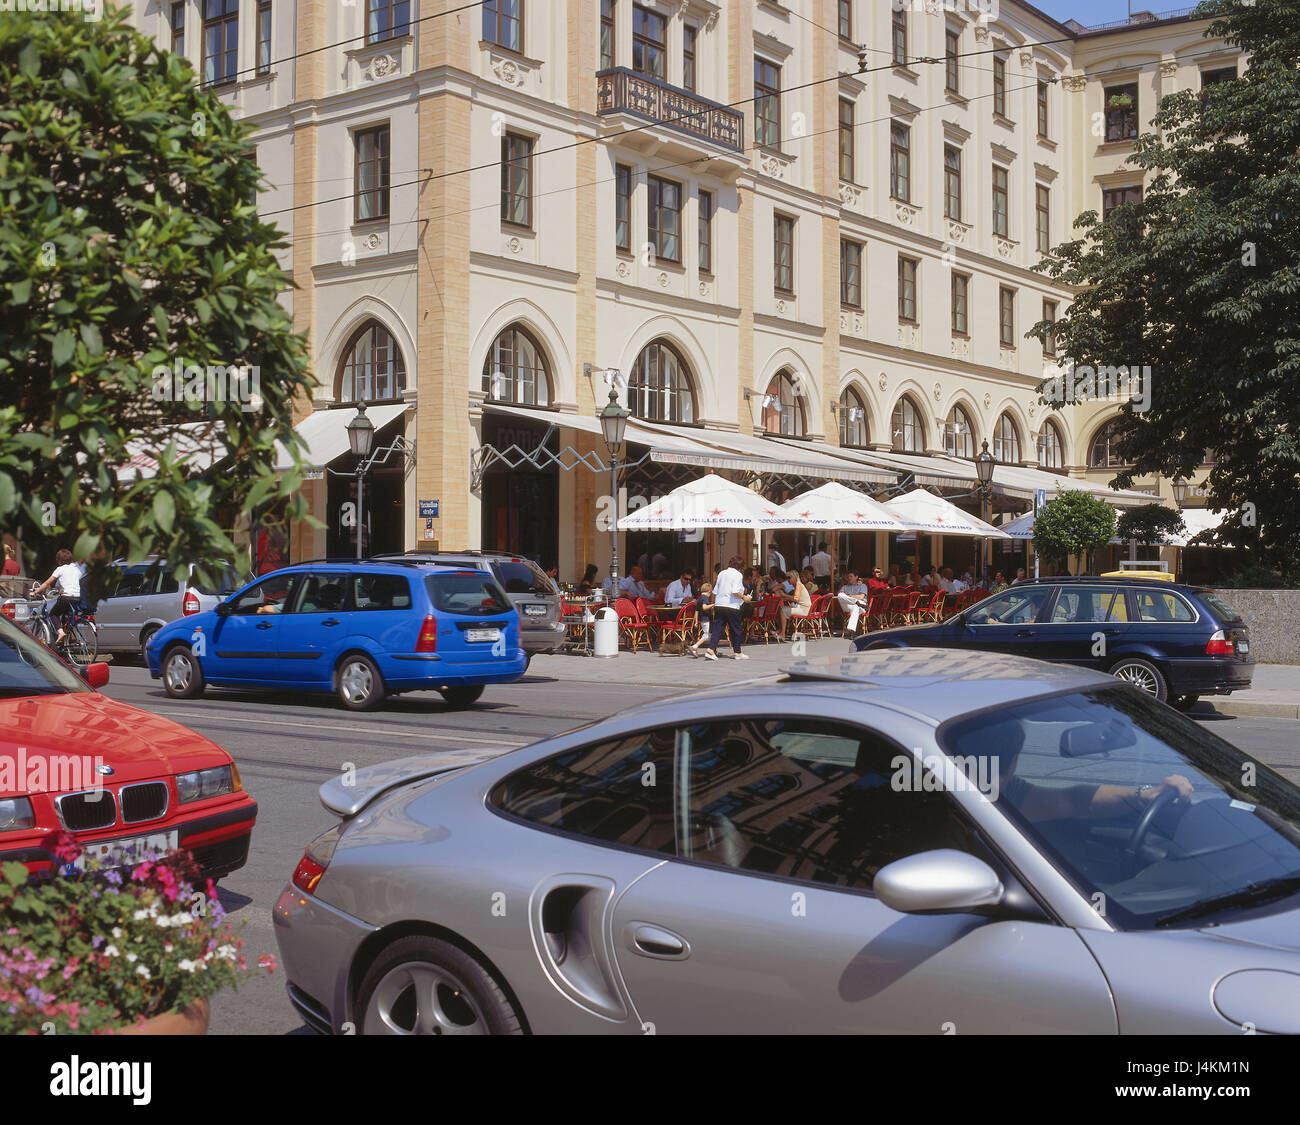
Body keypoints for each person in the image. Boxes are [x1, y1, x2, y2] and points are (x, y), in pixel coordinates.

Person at [702, 555, 750, 661]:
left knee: (717, 629)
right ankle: (737, 652)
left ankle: (711, 649)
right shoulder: (738, 575)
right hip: (732, 605)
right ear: (740, 566)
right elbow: (735, 592)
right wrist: (744, 597)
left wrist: (714, 603)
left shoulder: (722, 573)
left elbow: (715, 591)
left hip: (719, 604)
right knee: (735, 629)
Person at [32, 548, 82, 642]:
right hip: (77, 597)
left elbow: (47, 583)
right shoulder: (76, 568)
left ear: (59, 561)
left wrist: (37, 591)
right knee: (64, 615)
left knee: (53, 613)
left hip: (67, 597)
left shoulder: (60, 569)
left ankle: (60, 632)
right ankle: (67, 639)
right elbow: (68, 581)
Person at [837, 570, 871, 635]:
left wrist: (849, 596)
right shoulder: (845, 587)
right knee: (840, 595)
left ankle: (851, 630)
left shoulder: (862, 586)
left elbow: (861, 597)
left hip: (861, 606)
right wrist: (854, 599)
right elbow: (840, 595)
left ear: (856, 577)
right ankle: (856, 602)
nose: (849, 578)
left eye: (851, 576)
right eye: (848, 577)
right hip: (851, 605)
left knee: (855, 607)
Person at [779, 570, 811, 639]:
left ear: (795, 577)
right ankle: (780, 630)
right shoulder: (798, 585)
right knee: (782, 608)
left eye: (789, 577)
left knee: (782, 610)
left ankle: (782, 633)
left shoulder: (798, 585)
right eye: (787, 578)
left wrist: (785, 595)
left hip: (803, 609)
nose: (788, 580)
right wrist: (786, 597)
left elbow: (796, 599)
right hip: (803, 608)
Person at [689, 581, 715, 655]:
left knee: (708, 635)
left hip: (702, 619)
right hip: (706, 619)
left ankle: (696, 649)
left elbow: (697, 611)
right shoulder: (705, 598)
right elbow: (704, 607)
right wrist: (713, 605)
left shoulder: (699, 598)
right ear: (709, 591)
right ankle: (694, 646)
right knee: (707, 635)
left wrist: (696, 621)